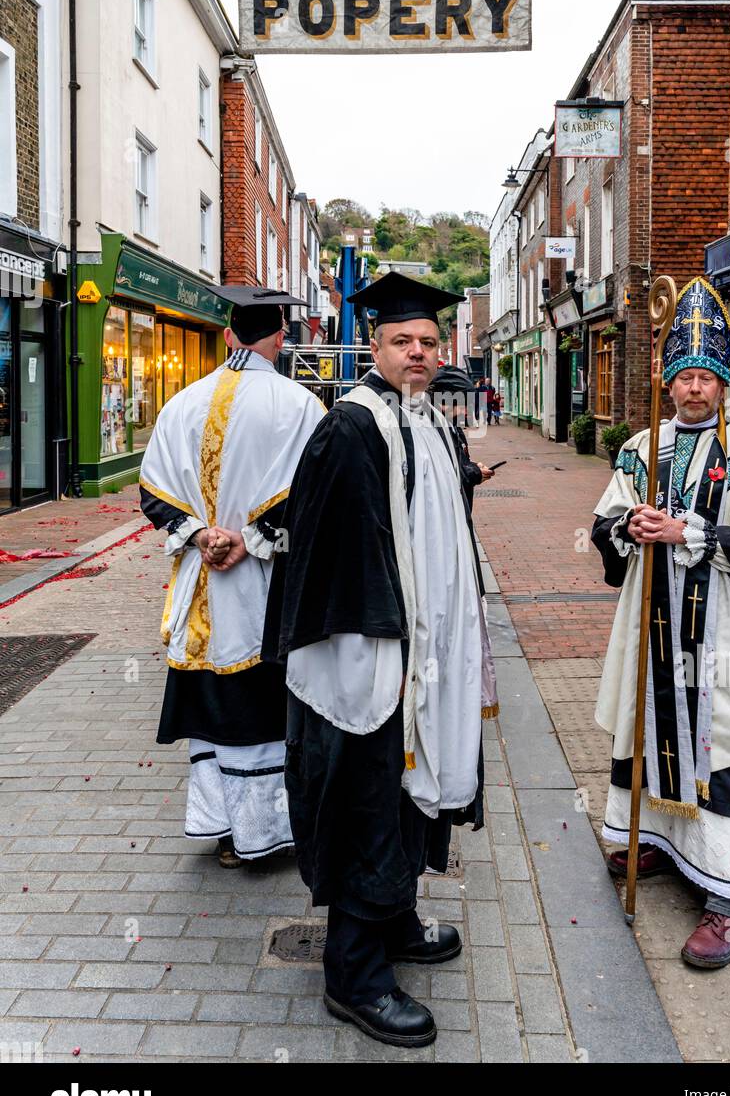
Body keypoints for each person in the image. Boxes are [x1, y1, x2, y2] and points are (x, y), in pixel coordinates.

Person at [262, 271, 498, 1048]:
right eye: (403, 342)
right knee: (369, 800)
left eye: (429, 341)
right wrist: (388, 649)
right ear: (375, 345)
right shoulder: (352, 427)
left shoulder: (427, 420)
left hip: (422, 651)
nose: (419, 352)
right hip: (369, 661)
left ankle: (395, 922)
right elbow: (330, 554)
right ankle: (353, 977)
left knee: (407, 796)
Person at [591, 276, 730, 969]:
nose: (692, 389)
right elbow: (604, 518)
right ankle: (653, 840)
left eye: (706, 377)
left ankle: (727, 899)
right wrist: (631, 523)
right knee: (647, 724)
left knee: (727, 743)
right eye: (682, 375)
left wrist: (687, 531)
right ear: (668, 379)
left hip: (722, 639)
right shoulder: (638, 449)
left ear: (724, 381)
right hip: (651, 625)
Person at [139, 286, 325, 867]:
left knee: (213, 705)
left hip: (199, 582)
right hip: (264, 585)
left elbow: (153, 489)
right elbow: (313, 496)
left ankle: (219, 825)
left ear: (227, 335)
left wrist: (200, 535)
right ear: (280, 337)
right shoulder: (301, 406)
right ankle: (262, 833)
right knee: (262, 702)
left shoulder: (180, 403)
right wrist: (252, 539)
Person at [428, 364, 495, 509]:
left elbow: (457, 463)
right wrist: (473, 473)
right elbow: (437, 477)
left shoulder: (453, 427)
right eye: (458, 404)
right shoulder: (429, 432)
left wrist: (472, 467)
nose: (464, 411)